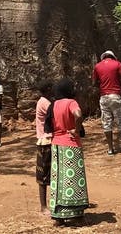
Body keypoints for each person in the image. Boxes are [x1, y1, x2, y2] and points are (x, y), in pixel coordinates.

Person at [46, 78, 89, 224]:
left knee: (58, 181)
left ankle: (58, 218)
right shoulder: (71, 102)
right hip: (71, 144)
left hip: (56, 146)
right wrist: (76, 130)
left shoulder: (53, 105)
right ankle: (76, 216)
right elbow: (78, 115)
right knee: (74, 180)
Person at [92, 49, 121, 155]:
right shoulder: (117, 64)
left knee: (107, 123)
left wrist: (102, 87)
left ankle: (110, 149)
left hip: (104, 97)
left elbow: (93, 83)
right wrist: (118, 86)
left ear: (104, 57)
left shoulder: (97, 66)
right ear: (113, 57)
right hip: (115, 96)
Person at [35, 80, 53, 214]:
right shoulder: (45, 103)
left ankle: (47, 204)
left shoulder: (44, 101)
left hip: (47, 140)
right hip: (45, 141)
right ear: (47, 89)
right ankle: (43, 206)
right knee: (44, 175)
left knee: (48, 174)